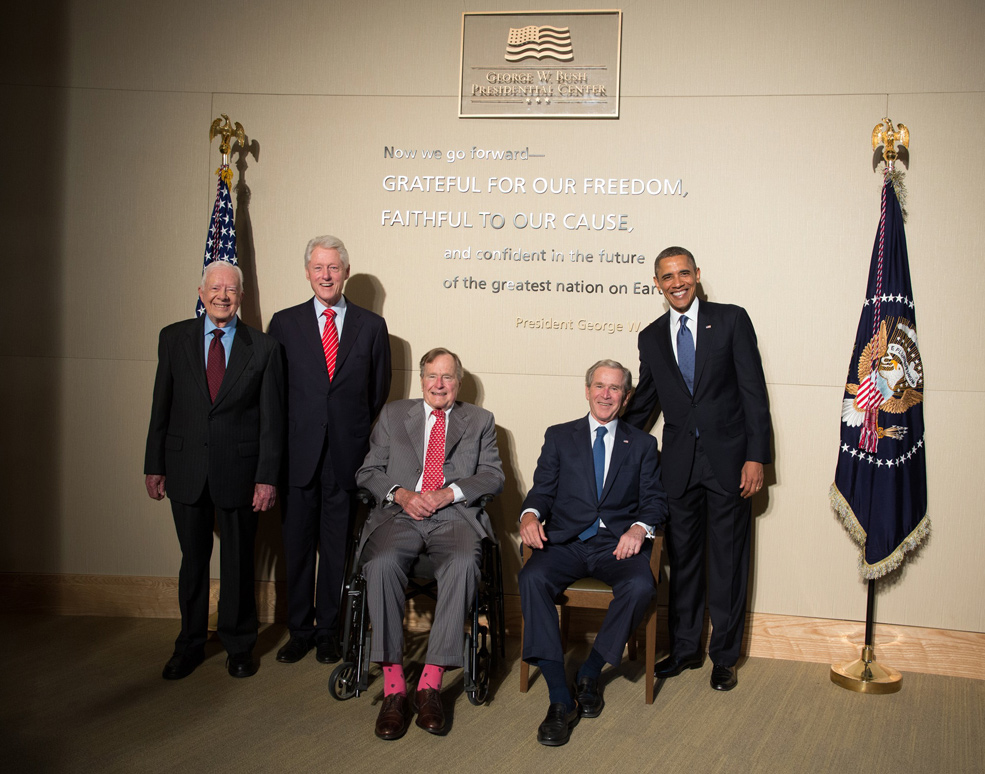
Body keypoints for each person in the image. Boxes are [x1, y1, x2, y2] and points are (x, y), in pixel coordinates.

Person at [622, 246, 771, 692]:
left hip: (730, 463)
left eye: (683, 273)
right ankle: (686, 649)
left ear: (697, 274)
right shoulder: (651, 337)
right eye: (667, 277)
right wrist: (607, 435)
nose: (677, 283)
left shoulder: (731, 320)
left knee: (727, 563)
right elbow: (646, 401)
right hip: (678, 466)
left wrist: (757, 456)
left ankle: (724, 657)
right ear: (657, 284)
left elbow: (753, 392)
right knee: (684, 563)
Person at [144, 260, 284, 680]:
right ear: (201, 293)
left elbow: (272, 421)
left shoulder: (264, 348)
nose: (223, 296)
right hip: (184, 467)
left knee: (239, 563)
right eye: (215, 289)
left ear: (241, 296)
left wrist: (267, 476)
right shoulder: (173, 338)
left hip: (240, 472)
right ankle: (189, 644)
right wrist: (154, 464)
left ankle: (239, 645)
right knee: (193, 562)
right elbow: (161, 405)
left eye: (231, 290)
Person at [355, 348, 504, 740]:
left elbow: (492, 475)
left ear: (459, 382)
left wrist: (448, 493)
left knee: (463, 563)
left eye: (448, 377)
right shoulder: (393, 415)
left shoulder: (480, 420)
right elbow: (368, 471)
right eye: (432, 376)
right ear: (421, 380)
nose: (439, 384)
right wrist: (403, 494)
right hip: (400, 514)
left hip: (453, 516)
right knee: (381, 563)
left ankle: (429, 684)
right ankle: (394, 689)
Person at [519, 359, 667, 746]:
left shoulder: (643, 444)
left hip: (615, 545)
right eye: (599, 386)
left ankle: (589, 670)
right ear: (587, 391)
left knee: (641, 586)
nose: (605, 394)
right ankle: (559, 697)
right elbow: (542, 491)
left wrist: (639, 527)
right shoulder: (559, 436)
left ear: (626, 397)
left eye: (614, 388)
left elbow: (654, 501)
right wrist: (529, 515)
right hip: (566, 542)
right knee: (532, 578)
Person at [267, 235, 391, 665]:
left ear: (346, 273)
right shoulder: (284, 324)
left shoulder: (371, 327)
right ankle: (299, 631)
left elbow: (376, 393)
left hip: (345, 457)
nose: (326, 275)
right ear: (307, 272)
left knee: (337, 550)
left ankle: (327, 633)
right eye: (318, 267)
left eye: (333, 268)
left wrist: (347, 431)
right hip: (297, 457)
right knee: (298, 548)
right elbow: (274, 393)